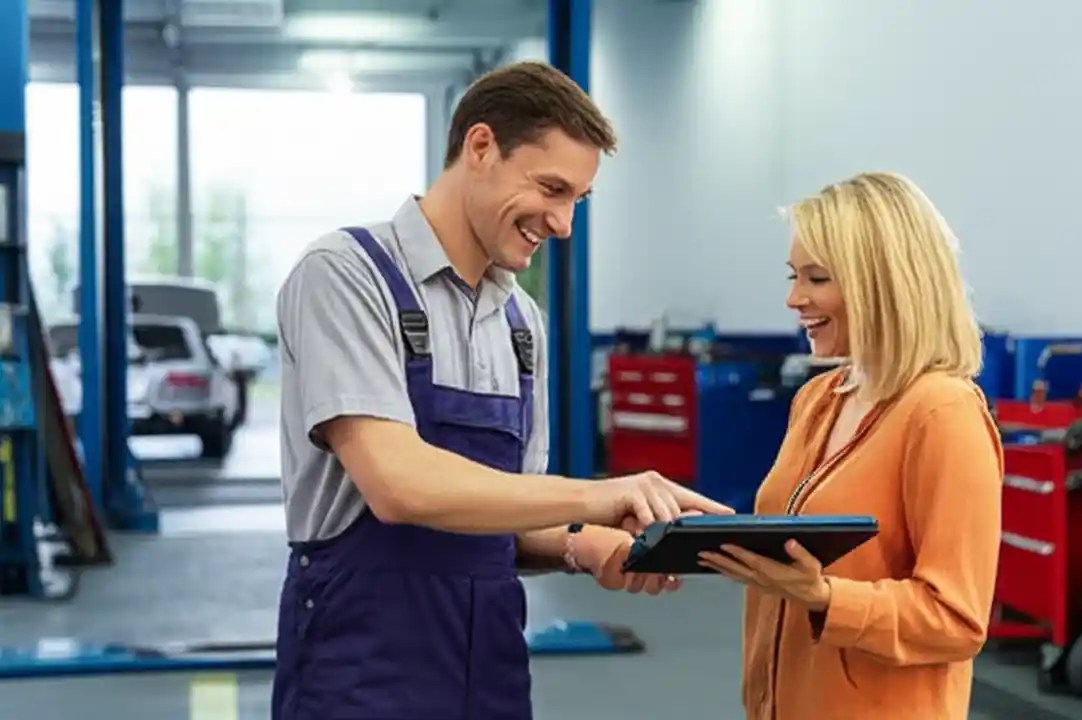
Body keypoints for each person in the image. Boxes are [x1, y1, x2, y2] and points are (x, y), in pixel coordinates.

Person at [270, 61, 732, 720]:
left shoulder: (522, 325)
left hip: (488, 677)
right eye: (551, 187)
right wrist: (602, 495)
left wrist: (587, 545)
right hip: (359, 677)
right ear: (480, 147)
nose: (565, 222)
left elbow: (506, 516)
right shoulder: (344, 276)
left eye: (578, 199)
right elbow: (398, 484)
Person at [699, 172, 1003, 718]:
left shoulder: (942, 413)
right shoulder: (820, 397)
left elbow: (957, 618)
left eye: (817, 279)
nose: (794, 299)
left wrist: (826, 598)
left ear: (882, 282)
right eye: (794, 276)